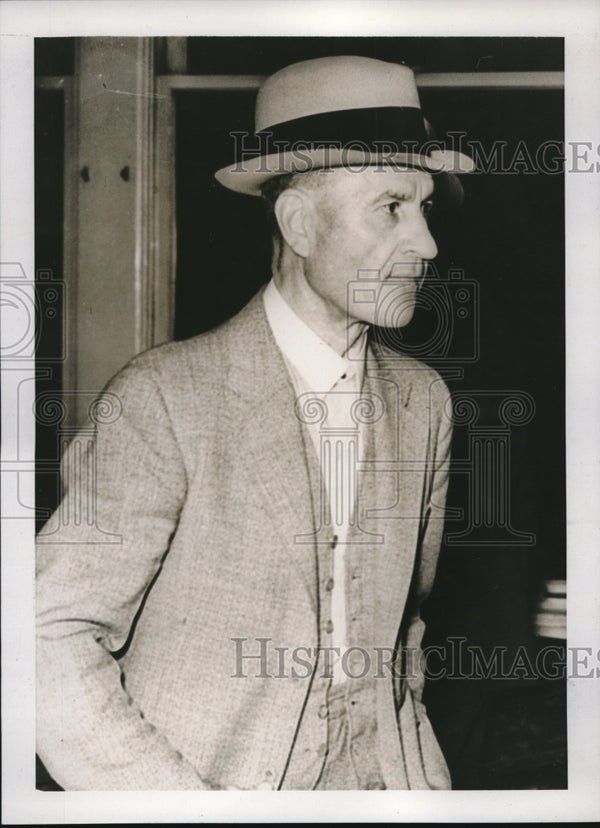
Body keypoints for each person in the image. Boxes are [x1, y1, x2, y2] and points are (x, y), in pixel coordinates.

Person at [36, 55, 474, 790]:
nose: (427, 244)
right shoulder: (164, 401)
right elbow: (43, 637)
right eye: (392, 206)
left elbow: (403, 636)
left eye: (426, 207)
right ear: (299, 223)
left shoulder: (424, 401)